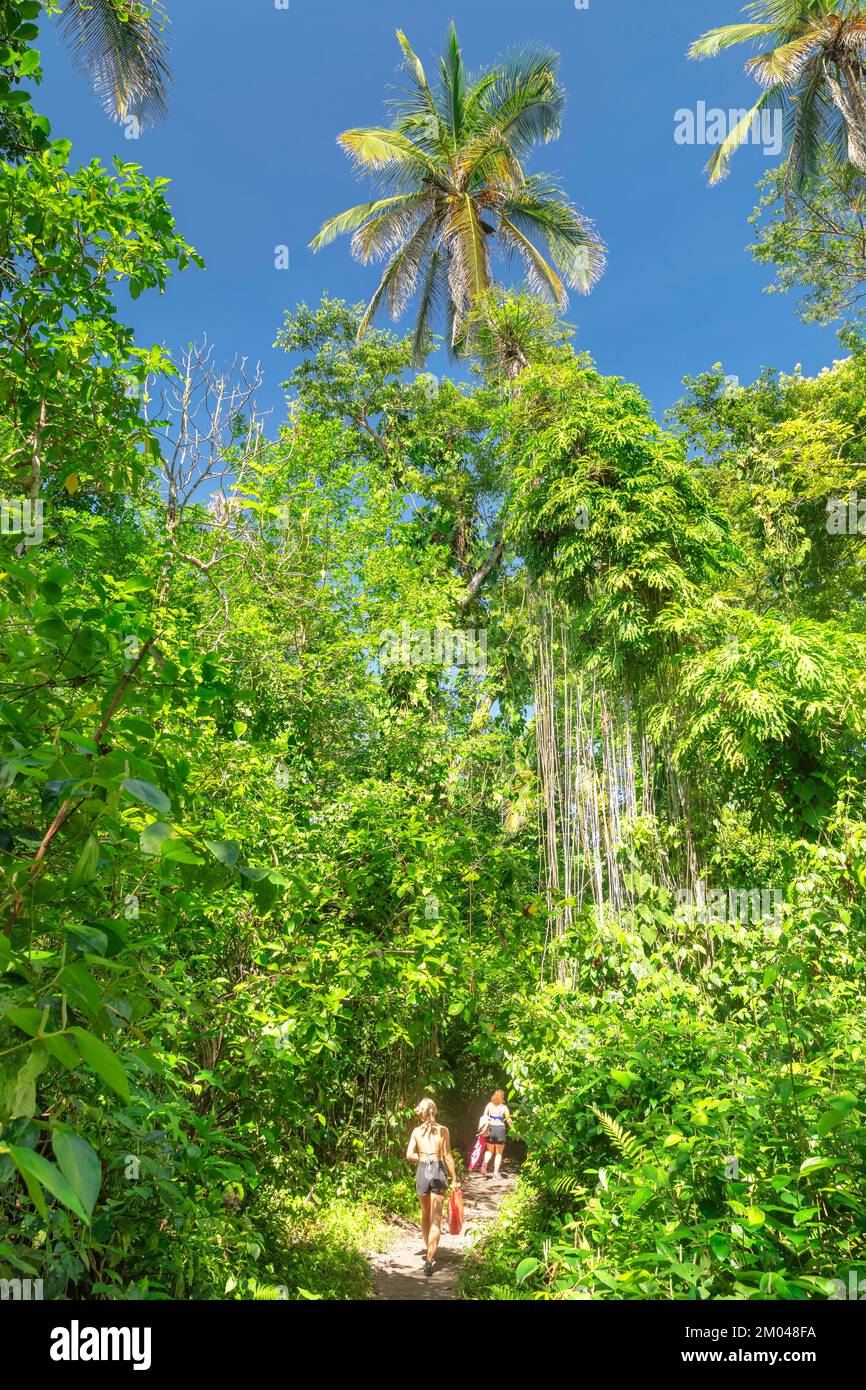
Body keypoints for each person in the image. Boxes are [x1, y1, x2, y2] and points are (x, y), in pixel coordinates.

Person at [406, 1098, 460, 1276]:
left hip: (423, 1170)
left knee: (425, 1214)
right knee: (436, 1217)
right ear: (434, 1111)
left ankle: (428, 1247)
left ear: (422, 1113)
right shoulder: (443, 1130)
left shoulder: (416, 1131)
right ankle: (429, 1259)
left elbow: (409, 1155)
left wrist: (423, 1157)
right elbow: (448, 1156)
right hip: (437, 1170)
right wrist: (454, 1179)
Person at [479, 1089, 511, 1179]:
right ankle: (496, 1173)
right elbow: (509, 1120)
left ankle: (485, 1162)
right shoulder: (504, 1107)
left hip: (491, 1130)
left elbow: (484, 1118)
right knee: (498, 1154)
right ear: (502, 1097)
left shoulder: (489, 1105)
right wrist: (515, 1130)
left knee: (489, 1151)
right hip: (500, 1129)